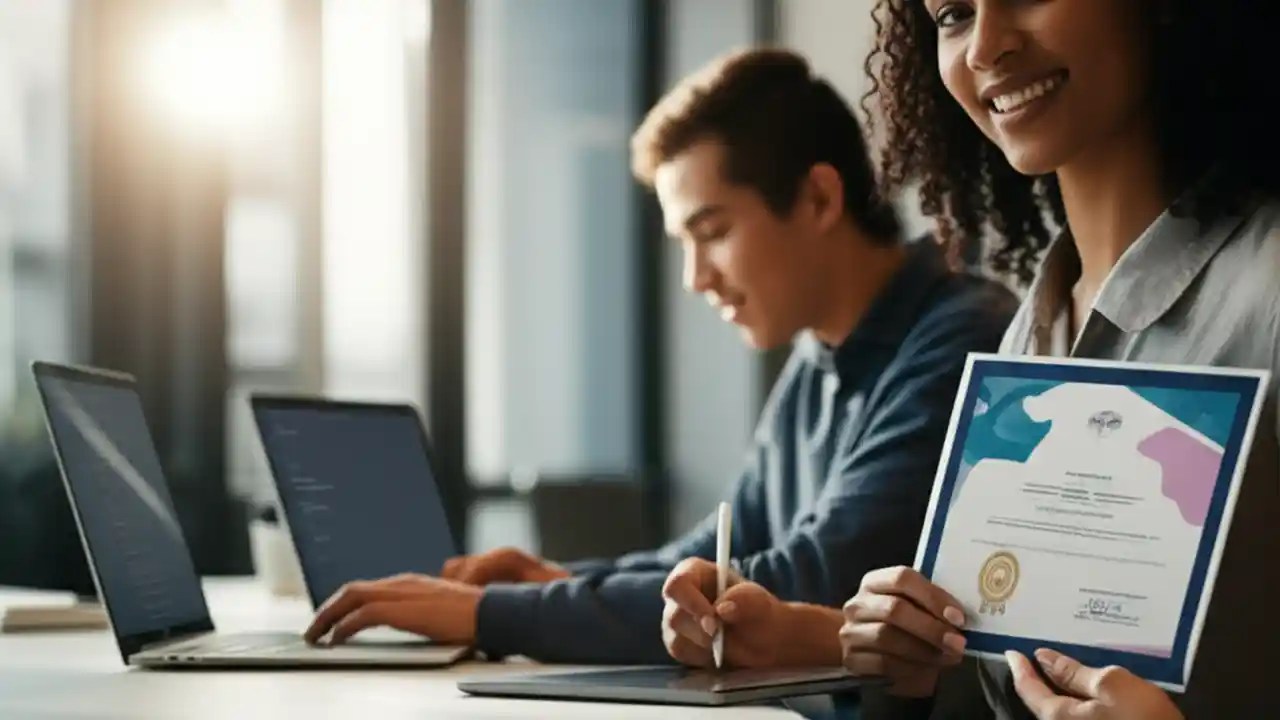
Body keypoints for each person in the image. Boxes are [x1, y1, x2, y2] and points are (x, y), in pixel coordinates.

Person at [302, 48, 1016, 663]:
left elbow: (807, 578)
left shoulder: (960, 340)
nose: (695, 277)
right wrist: (552, 581)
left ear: (818, 198)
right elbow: (715, 553)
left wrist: (488, 616)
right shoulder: (819, 360)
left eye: (712, 231)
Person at [839, 0, 1280, 717]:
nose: (985, 46)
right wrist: (912, 667)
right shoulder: (1026, 341)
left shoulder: (1268, 294)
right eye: (952, 14)